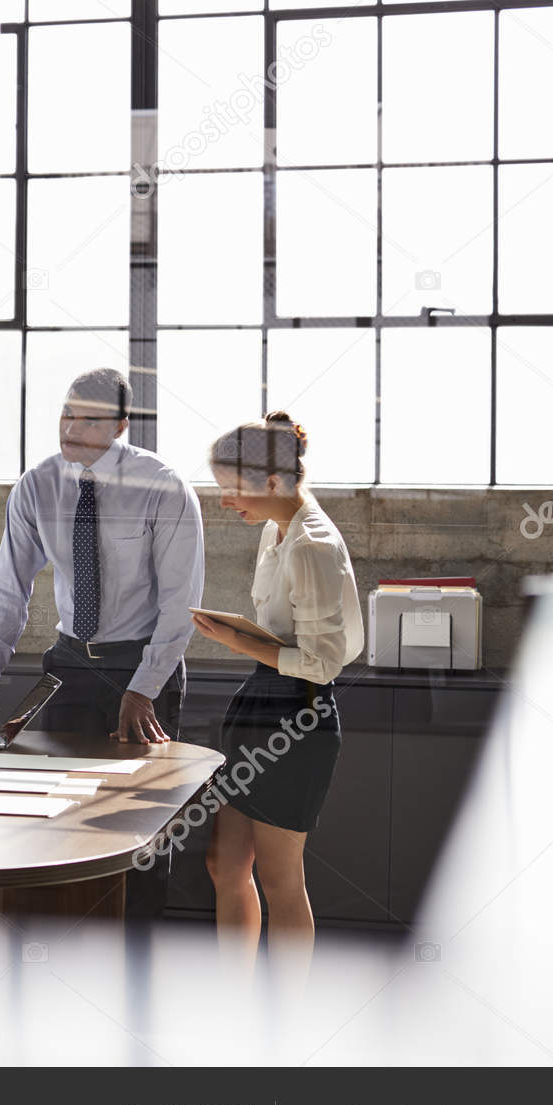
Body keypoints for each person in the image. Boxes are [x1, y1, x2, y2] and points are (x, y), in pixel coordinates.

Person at [0, 367, 205, 918]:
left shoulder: (163, 486)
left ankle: (137, 952)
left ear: (122, 425)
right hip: (70, 665)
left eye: (89, 418)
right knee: (55, 813)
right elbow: (7, 592)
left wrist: (144, 688)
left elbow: (182, 603)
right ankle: (62, 953)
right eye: (66, 412)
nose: (71, 426)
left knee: (139, 827)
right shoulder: (38, 486)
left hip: (140, 666)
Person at [192, 411, 362, 974]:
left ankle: (286, 1018)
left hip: (299, 715)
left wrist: (238, 642)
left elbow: (320, 662)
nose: (224, 503)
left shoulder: (313, 544)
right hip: (261, 703)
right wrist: (239, 633)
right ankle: (234, 994)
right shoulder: (276, 529)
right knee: (224, 862)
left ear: (270, 482)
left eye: (230, 490)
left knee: (280, 877)